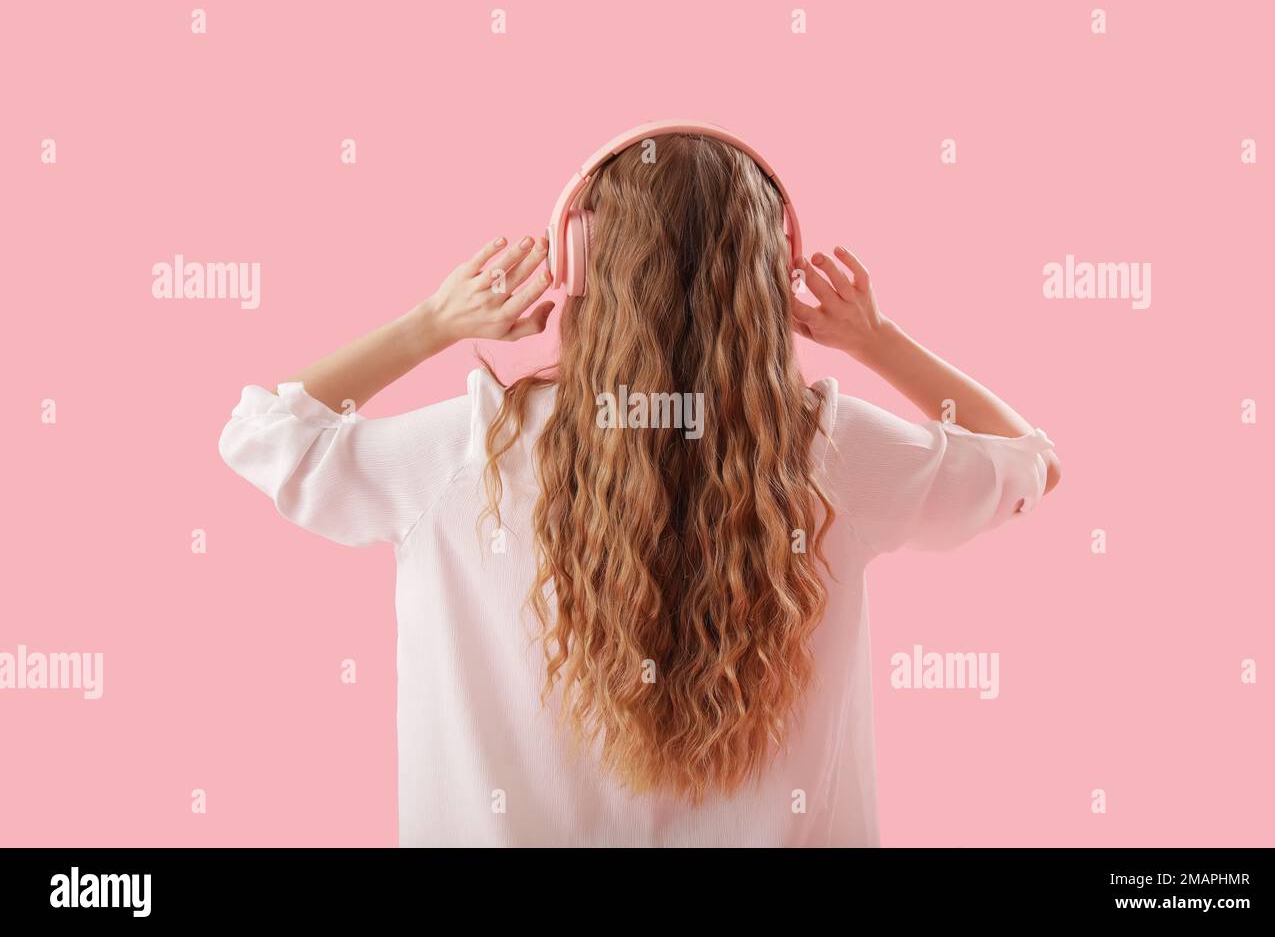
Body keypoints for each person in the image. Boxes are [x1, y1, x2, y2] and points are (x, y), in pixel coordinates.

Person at [219, 128, 1061, 846]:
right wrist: (876, 341)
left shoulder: (468, 454)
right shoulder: (839, 453)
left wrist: (433, 323)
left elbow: (263, 439)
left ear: (576, 262)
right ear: (775, 276)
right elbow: (1028, 462)